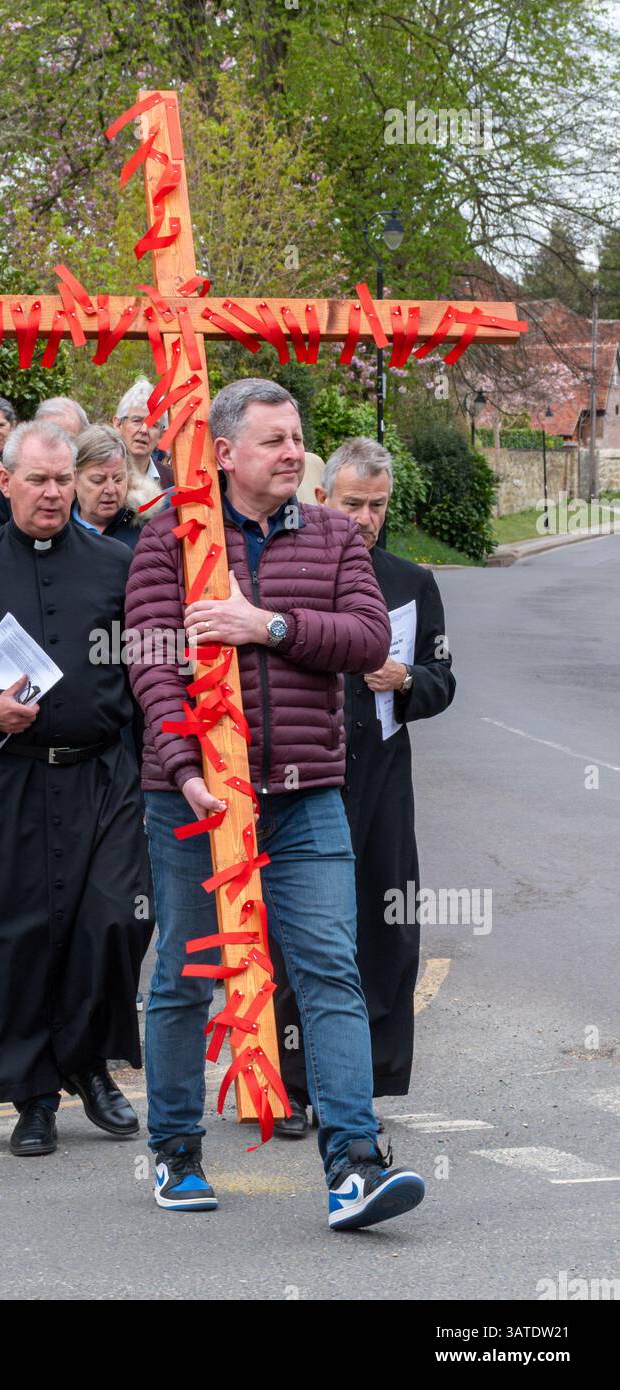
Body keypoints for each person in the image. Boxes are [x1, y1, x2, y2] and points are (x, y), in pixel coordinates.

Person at [125, 377, 426, 1231]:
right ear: (224, 453)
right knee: (188, 974)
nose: (294, 452)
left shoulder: (333, 535)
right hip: (192, 800)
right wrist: (187, 773)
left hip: (305, 796)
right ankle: (176, 1151)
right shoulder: (168, 539)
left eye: (297, 437)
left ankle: (356, 1166)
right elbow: (150, 665)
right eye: (274, 440)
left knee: (330, 969)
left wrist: (268, 625)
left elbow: (366, 640)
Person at [0, 420, 153, 1158]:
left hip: (105, 778)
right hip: (10, 779)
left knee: (112, 921)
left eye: (63, 480)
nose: (52, 494)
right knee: (20, 938)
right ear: (5, 479)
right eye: (38, 480)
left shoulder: (118, 564)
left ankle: (87, 1061)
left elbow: (147, 671)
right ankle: (34, 1096)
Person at [317, 437, 456, 1099]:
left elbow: (441, 681)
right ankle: (294, 1080)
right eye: (352, 504)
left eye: (375, 506)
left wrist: (404, 679)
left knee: (386, 921)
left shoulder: (410, 581)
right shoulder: (295, 574)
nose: (364, 518)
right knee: (305, 928)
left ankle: (373, 1075)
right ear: (322, 499)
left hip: (381, 774)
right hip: (305, 771)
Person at [71, 425, 143, 550]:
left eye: (118, 479)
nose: (111, 490)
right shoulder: (55, 529)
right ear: (74, 478)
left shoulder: (148, 529)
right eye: (98, 480)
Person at [113, 377, 172, 512]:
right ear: (118, 424)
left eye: (153, 424)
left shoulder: (171, 481)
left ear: (161, 435)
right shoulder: (102, 475)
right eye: (137, 420)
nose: (144, 430)